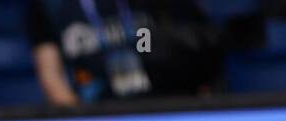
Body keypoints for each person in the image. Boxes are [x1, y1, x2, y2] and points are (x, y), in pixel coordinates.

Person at [27, 0, 222, 105]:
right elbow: (51, 77)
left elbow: (200, 53)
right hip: (98, 117)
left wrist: (199, 110)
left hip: (167, 107)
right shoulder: (49, 5)